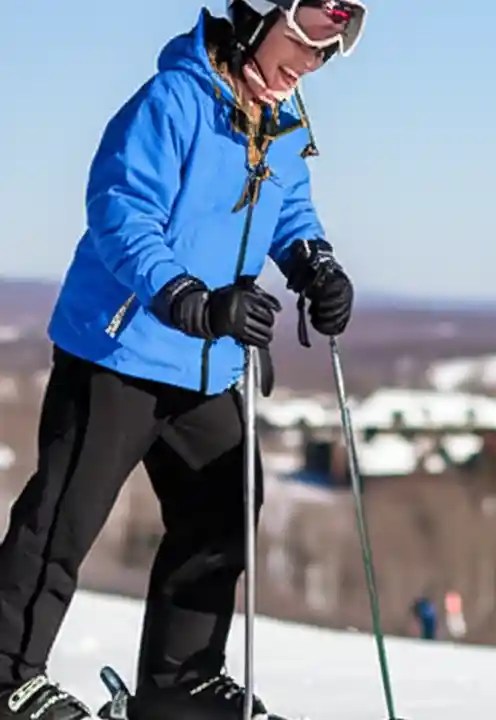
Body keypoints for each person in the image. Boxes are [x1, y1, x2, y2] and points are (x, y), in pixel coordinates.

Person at [0, 2, 364, 718]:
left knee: (225, 505)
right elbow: (120, 211)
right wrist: (188, 298)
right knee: (62, 523)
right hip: (121, 346)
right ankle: (9, 678)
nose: (311, 62)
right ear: (256, 18)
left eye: (327, 51)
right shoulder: (173, 101)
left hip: (208, 365)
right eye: (304, 39)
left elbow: (290, 206)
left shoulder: (284, 118)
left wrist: (314, 265)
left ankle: (179, 682)